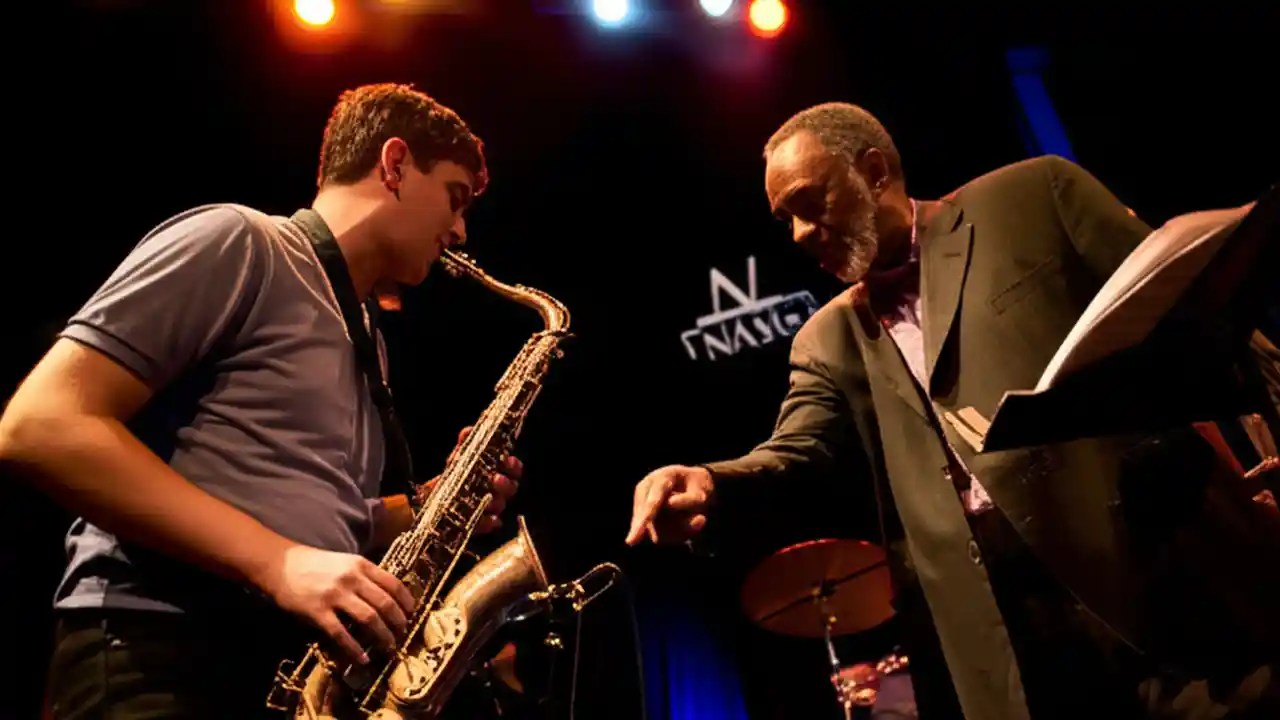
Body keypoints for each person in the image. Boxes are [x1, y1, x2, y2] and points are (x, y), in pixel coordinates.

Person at [626, 102, 1280, 719]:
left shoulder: (1034, 195)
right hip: (1004, 625)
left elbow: (1203, 309)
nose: (798, 234)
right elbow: (796, 450)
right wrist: (709, 479)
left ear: (873, 172)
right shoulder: (826, 339)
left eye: (809, 203)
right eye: (784, 219)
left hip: (1144, 566)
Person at [0, 82, 523, 719]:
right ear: (395, 164)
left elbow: (318, 515)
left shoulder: (366, 338)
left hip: (271, 666)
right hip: (157, 649)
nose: (460, 231)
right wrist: (279, 562)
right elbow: (41, 425)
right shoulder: (242, 241)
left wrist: (433, 504)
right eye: (455, 198)